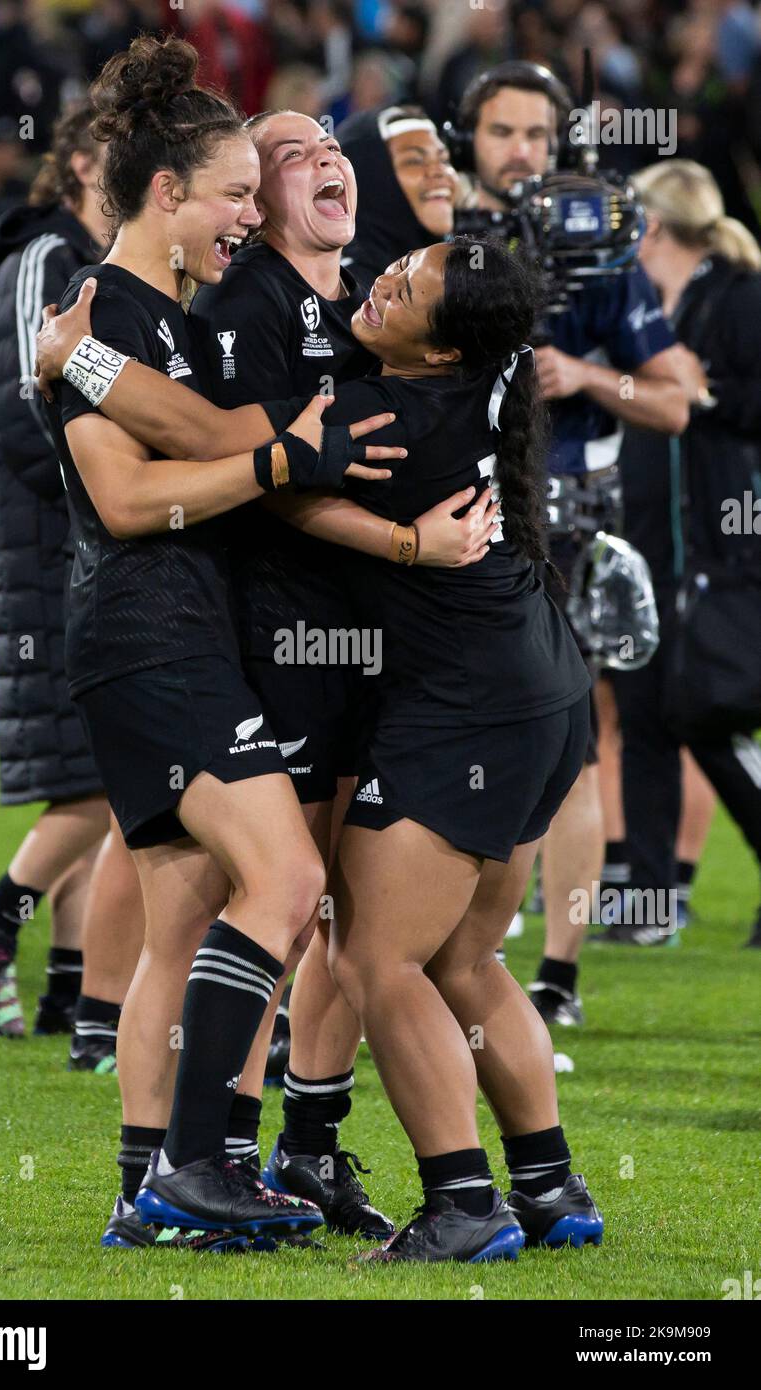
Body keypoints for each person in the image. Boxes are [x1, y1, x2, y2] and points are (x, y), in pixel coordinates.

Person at [35, 103, 499, 1242]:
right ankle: (200, 1164)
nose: (246, 214)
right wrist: (297, 462)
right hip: (157, 635)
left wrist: (91, 363)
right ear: (168, 195)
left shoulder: (154, 317)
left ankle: (159, 1190)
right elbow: (132, 497)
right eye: (241, 190)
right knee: (285, 889)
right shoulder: (119, 304)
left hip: (185, 631)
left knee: (192, 919)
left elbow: (199, 430)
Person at [310, 235, 603, 1262]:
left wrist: (81, 363)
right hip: (543, 691)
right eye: (395, 265)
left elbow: (254, 475)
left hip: (470, 707)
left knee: (375, 959)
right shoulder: (486, 372)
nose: (378, 282)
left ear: (439, 353)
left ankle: (461, 1204)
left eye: (402, 290)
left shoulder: (379, 415)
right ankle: (549, 1188)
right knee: (466, 958)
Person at [453, 61, 689, 1028]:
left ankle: (555, 976)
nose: (523, 153)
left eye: (539, 136)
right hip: (455, 506)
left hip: (571, 510)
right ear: (469, 137)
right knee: (448, 729)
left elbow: (674, 401)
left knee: (574, 747)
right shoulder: (439, 238)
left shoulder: (602, 252)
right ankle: (450, 948)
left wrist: (590, 375)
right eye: (504, 132)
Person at [0, 104, 113, 1041]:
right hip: (52, 547)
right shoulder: (46, 260)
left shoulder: (103, 262)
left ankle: (71, 990)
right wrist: (127, 480)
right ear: (85, 162)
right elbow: (24, 415)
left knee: (93, 773)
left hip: (87, 541)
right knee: (93, 779)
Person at [605, 159, 761, 950]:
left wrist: (707, 396)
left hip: (726, 543)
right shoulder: (632, 298)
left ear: (653, 224)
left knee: (709, 712)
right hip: (646, 539)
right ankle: (647, 908)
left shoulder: (739, 294)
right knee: (643, 715)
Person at [336, 104, 459, 291]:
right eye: (414, 161)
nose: (440, 171)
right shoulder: (350, 290)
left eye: (443, 159)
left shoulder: (459, 271)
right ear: (369, 180)